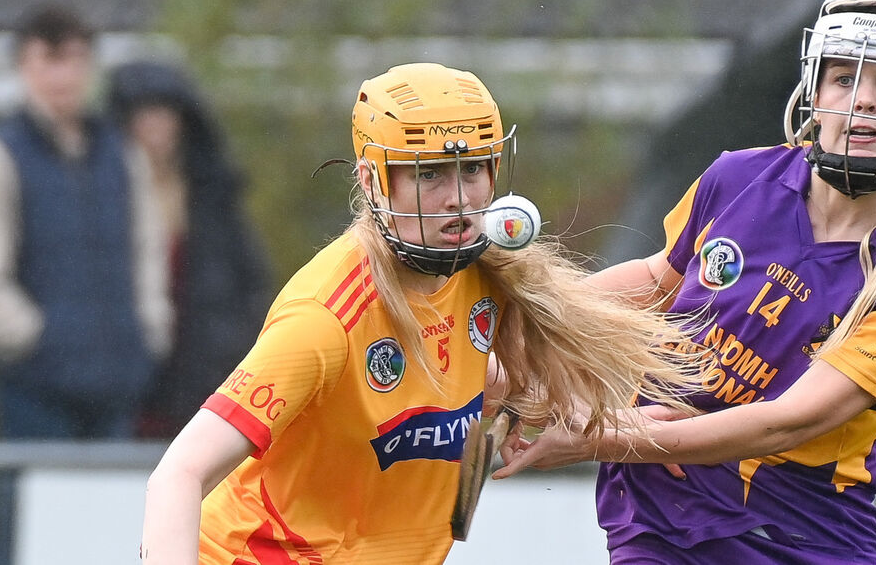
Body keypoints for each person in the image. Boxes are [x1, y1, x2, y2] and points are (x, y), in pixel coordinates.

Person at [140, 62, 706, 564]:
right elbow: (179, 473)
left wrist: (609, 424)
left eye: (472, 169)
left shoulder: (485, 272)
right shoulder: (324, 318)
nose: (458, 198)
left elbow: (486, 372)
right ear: (372, 181)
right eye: (429, 174)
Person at [495, 0, 876, 565]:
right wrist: (520, 325)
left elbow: (789, 422)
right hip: (663, 512)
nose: (864, 100)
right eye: (843, 79)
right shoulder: (739, 176)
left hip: (797, 534)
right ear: (814, 91)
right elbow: (657, 280)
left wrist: (605, 436)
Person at [0, 3, 170, 438]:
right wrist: (35, 338)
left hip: (119, 383)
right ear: (23, 67)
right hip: (34, 389)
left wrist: (148, 331)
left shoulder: (122, 154)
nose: (61, 76)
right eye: (48, 60)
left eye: (73, 59)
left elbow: (148, 250)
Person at [107, 60, 274, 439]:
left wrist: (233, 344)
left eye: (165, 113)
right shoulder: (104, 194)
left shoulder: (210, 192)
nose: (155, 126)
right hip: (131, 364)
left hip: (203, 359)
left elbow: (249, 280)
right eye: (144, 115)